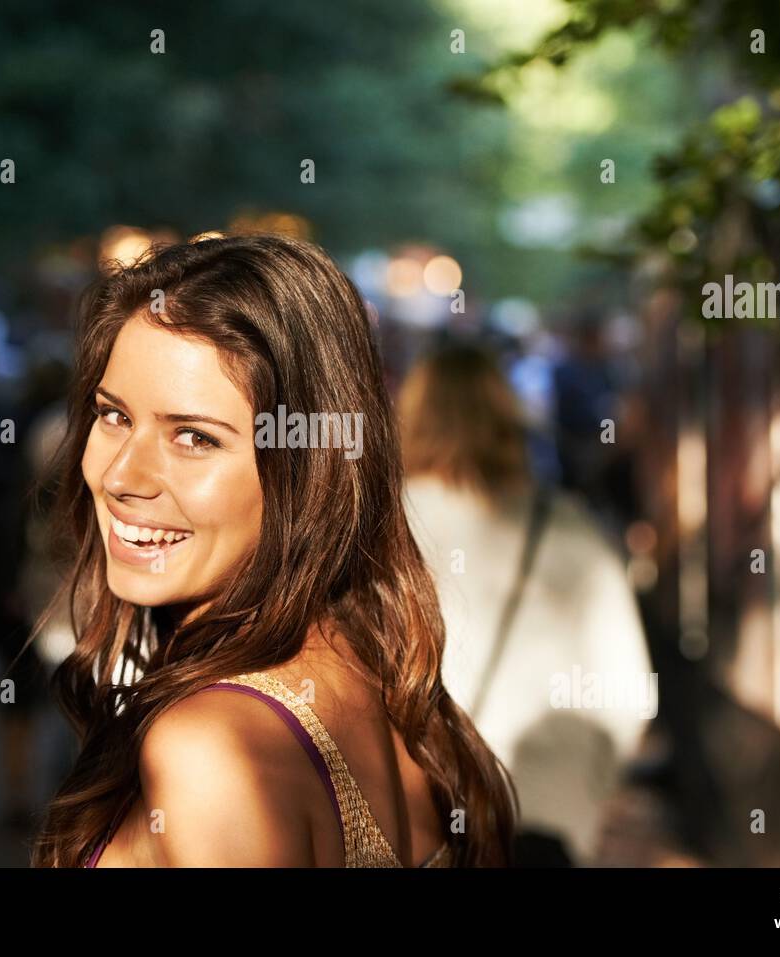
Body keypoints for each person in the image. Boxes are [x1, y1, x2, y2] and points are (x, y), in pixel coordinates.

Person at [29, 235, 516, 867]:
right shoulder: (375, 669)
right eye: (114, 415)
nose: (122, 475)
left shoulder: (214, 749)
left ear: (309, 468)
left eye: (195, 438)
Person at [398, 344, 653, 866]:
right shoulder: (569, 527)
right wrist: (581, 797)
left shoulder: (377, 528)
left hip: (408, 816)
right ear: (508, 420)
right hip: (540, 821)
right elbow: (630, 694)